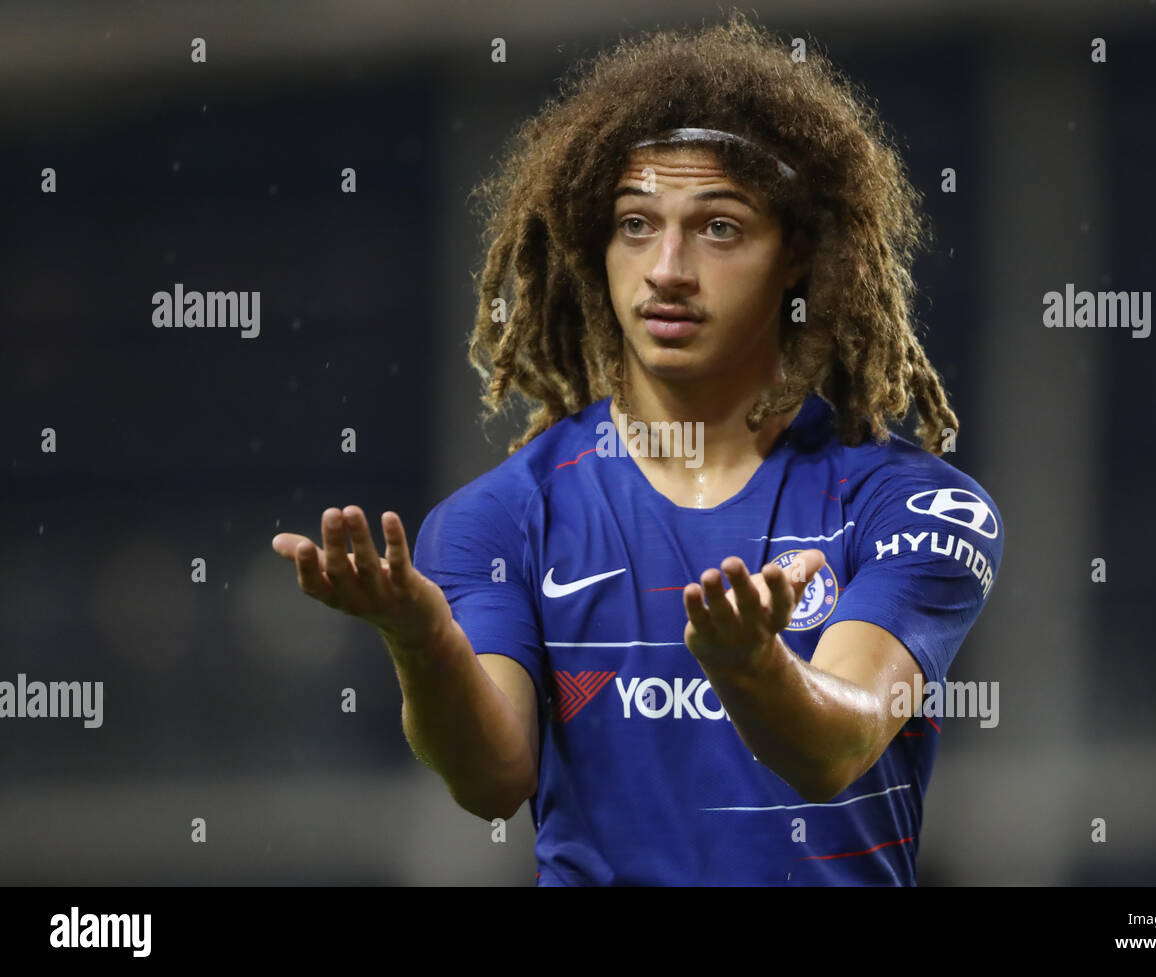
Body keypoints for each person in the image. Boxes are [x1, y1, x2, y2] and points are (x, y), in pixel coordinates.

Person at [271, 12, 1002, 884]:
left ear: (798, 254)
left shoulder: (913, 507)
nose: (667, 268)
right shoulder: (499, 518)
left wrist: (749, 663)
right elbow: (492, 779)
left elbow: (836, 744)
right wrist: (421, 638)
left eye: (719, 227)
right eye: (635, 224)